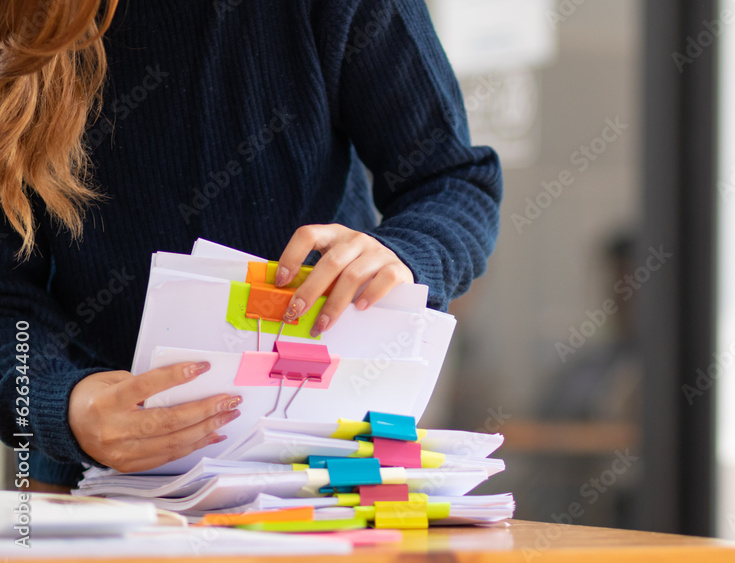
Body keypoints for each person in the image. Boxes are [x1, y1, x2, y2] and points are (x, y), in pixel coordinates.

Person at [0, 0, 502, 491]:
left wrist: (405, 254)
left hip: (328, 477)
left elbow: (453, 180)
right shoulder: (21, 23)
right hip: (93, 492)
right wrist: (54, 404)